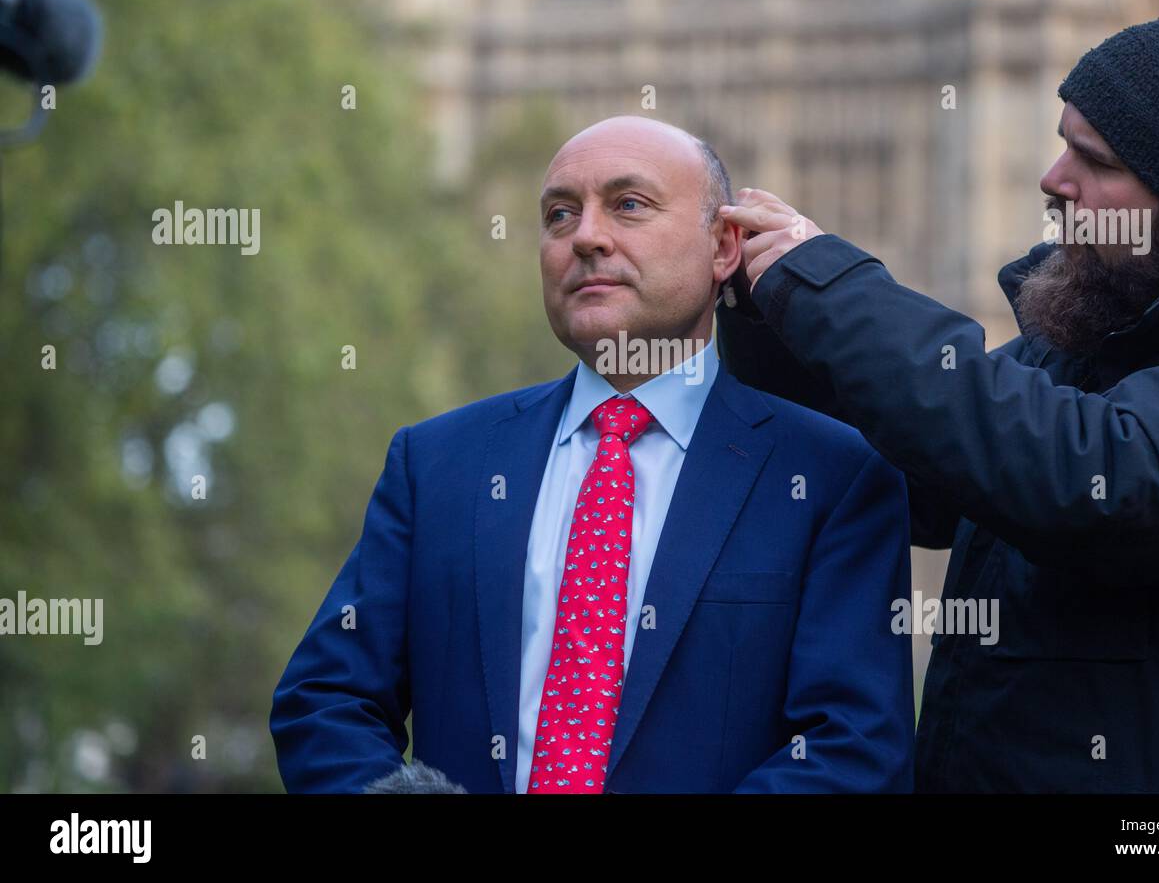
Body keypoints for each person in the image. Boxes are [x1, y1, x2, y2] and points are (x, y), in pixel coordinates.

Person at [715, 12, 1159, 792]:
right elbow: (914, 476)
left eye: (1093, 160)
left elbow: (1095, 481)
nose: (1053, 179)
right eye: (1064, 142)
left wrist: (827, 287)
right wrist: (767, 322)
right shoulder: (1088, 344)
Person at [271, 115, 915, 793]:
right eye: (559, 215)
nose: (585, 237)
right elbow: (324, 702)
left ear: (725, 247)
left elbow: (853, 752)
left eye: (629, 205)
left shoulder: (830, 476)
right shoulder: (436, 465)